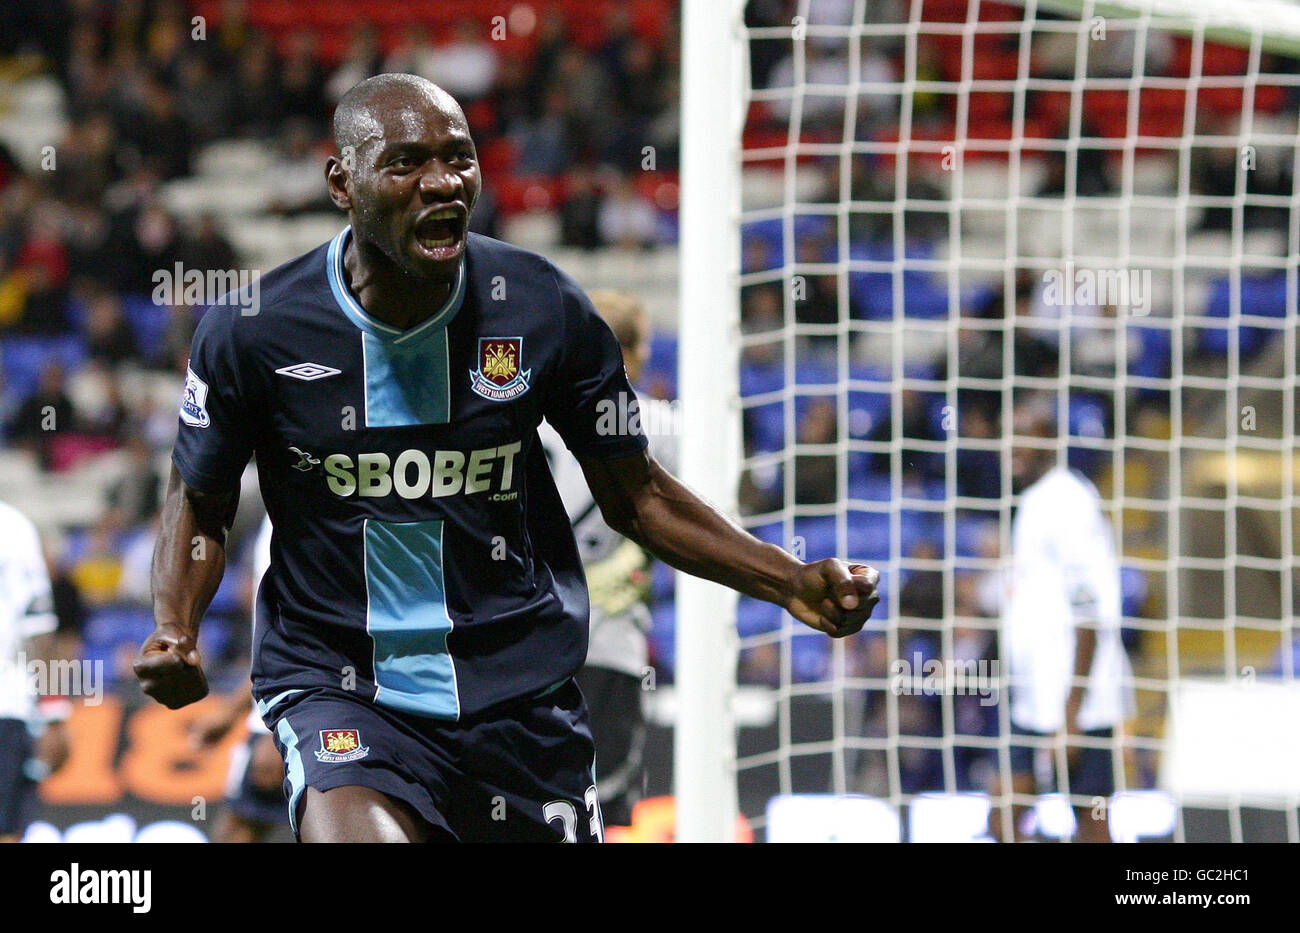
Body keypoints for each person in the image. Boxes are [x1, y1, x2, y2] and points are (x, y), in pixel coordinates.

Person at [133, 74, 880, 843]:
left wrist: (785, 579)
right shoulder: (256, 332)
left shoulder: (543, 307)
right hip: (343, 685)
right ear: (341, 182)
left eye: (459, 159)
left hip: (517, 695)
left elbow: (640, 495)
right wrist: (173, 625)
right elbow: (200, 497)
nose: (443, 183)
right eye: (405, 163)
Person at [538, 290, 670, 827]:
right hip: (609, 643)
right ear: (631, 354)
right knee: (604, 810)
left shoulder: (527, 419)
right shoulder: (660, 425)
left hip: (527, 645)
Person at [988, 396, 1133, 843]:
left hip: (1080, 700)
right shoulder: (1033, 500)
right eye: (1005, 433)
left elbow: (1091, 611)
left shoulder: (1070, 500)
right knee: (1005, 819)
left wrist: (1071, 713)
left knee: (1089, 821)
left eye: (1023, 433)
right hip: (1032, 696)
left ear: (1049, 439)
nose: (1010, 444)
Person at [188, 517, 286, 843]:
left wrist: (275, 728)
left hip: (298, 710)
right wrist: (233, 711)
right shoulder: (276, 514)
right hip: (292, 700)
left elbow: (305, 634)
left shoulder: (299, 512)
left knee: (239, 830)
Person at [0, 501, 69, 842]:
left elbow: (39, 632)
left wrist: (53, 710)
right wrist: (55, 715)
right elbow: (41, 631)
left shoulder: (10, 528)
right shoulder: (11, 527)